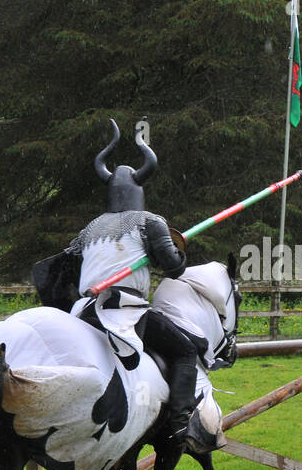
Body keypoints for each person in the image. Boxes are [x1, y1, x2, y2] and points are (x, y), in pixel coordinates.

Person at [50, 121, 197, 442]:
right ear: (139, 192)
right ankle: (180, 422)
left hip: (84, 309)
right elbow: (173, 269)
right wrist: (179, 251)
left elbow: (65, 271)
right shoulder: (149, 221)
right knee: (185, 352)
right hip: (126, 310)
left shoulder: (89, 229)